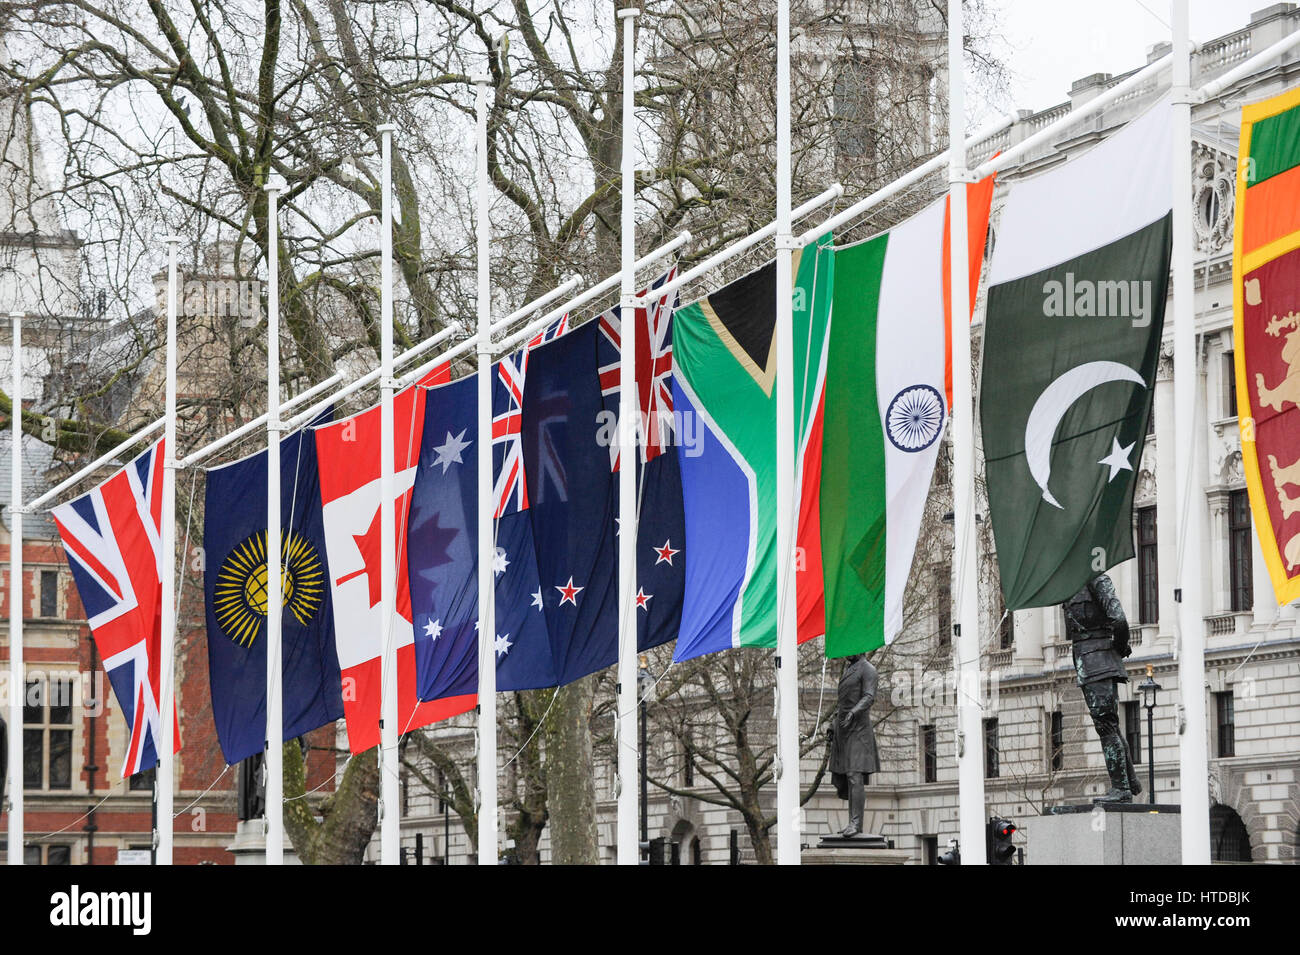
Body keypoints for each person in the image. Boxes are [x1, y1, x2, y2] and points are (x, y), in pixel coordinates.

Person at [1061, 572, 1143, 803]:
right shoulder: (1069, 582)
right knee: (1109, 725)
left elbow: (1119, 619)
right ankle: (1129, 781)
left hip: (1100, 661)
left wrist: (1120, 646)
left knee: (1106, 726)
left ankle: (1121, 787)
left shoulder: (1097, 578)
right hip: (1086, 662)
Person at [827, 653, 881, 836]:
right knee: (849, 777)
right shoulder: (848, 670)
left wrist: (853, 712)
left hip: (859, 730)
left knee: (854, 775)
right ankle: (852, 822)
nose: (847, 653)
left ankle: (856, 823)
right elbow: (841, 704)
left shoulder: (868, 669)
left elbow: (869, 696)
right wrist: (832, 724)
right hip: (843, 731)